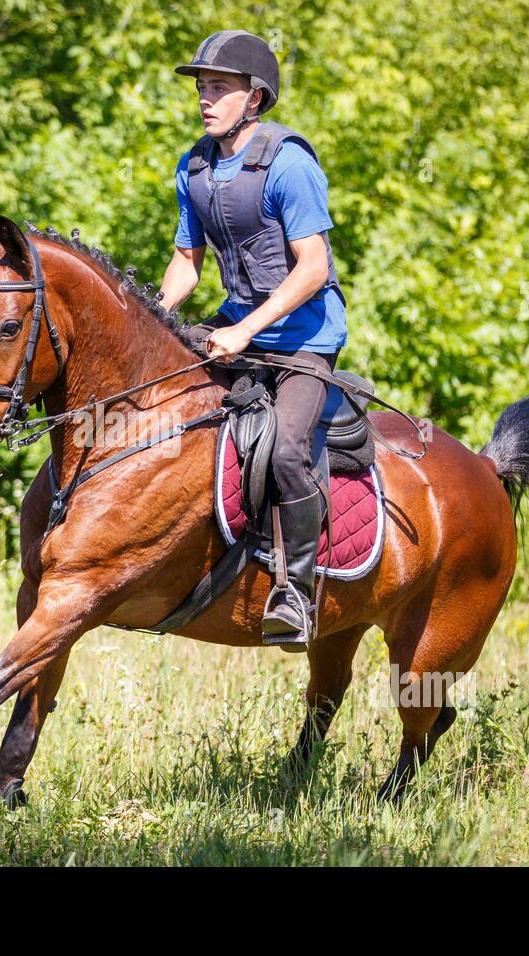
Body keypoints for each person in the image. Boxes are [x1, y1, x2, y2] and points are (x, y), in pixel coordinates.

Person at [158, 30, 349, 645]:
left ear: (255, 98)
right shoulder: (196, 164)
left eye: (220, 88)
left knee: (289, 448)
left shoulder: (289, 162)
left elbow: (313, 267)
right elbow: (187, 261)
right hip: (234, 322)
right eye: (201, 88)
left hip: (301, 340)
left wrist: (244, 329)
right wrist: (158, 314)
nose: (205, 99)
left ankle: (294, 592)